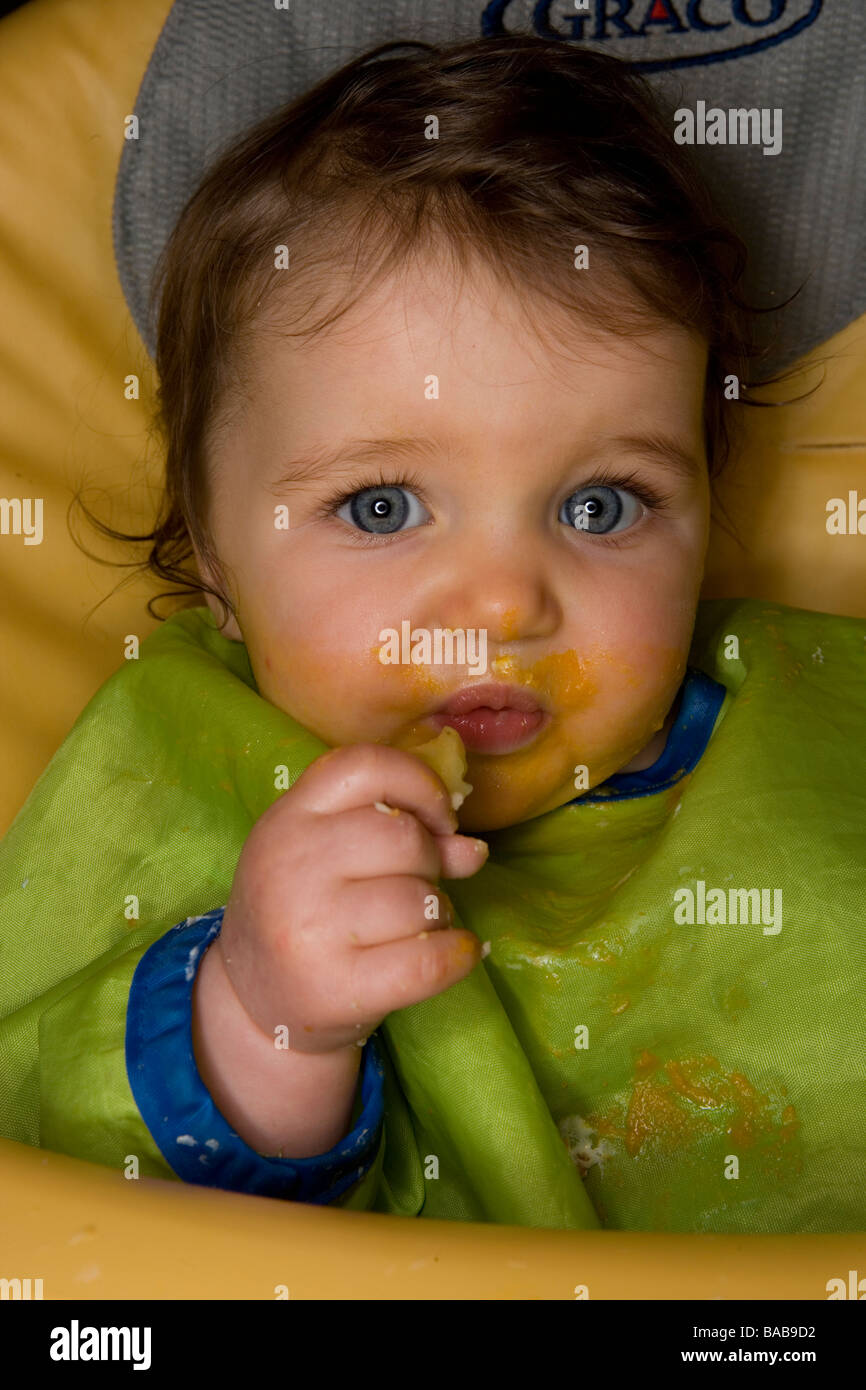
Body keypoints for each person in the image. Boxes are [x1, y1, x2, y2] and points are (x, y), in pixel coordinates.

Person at [1, 37, 863, 1234]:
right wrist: (261, 1020)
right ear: (214, 560)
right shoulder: (168, 762)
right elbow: (70, 1183)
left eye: (598, 505)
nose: (504, 606)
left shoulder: (820, 713)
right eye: (380, 508)